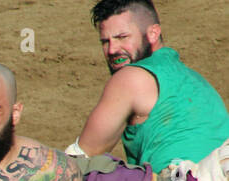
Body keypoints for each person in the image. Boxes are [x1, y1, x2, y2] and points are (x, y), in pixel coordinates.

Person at [72, 0, 229, 172]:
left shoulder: (129, 77)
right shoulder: (198, 82)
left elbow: (81, 159)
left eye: (122, 37)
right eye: (105, 41)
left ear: (153, 33)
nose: (112, 50)